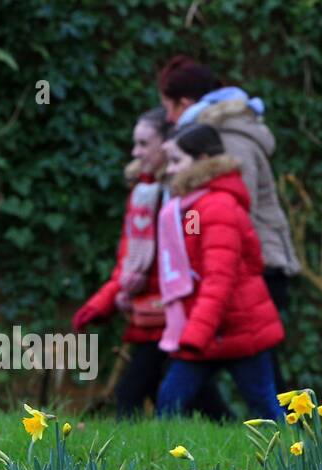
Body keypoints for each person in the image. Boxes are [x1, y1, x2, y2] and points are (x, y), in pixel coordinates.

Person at [72, 108, 229, 420]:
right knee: (183, 394)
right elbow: (130, 260)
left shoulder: (185, 199)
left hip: (170, 313)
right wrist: (106, 299)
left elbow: (193, 256)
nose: (135, 152)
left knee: (145, 393)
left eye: (144, 144)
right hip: (154, 312)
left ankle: (134, 456)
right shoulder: (144, 194)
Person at [154, 123, 285, 421]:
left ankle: (298, 462)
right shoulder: (194, 207)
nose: (170, 170)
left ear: (202, 161)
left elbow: (218, 278)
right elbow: (193, 261)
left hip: (237, 326)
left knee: (264, 407)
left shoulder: (217, 207)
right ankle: (163, 460)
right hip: (213, 326)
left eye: (176, 161)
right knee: (170, 402)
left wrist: (196, 330)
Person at [157, 56, 300, 314]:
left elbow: (235, 211)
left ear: (185, 103)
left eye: (169, 107)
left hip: (255, 272)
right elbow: (194, 207)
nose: (167, 117)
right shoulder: (206, 136)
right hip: (233, 270)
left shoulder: (229, 138)